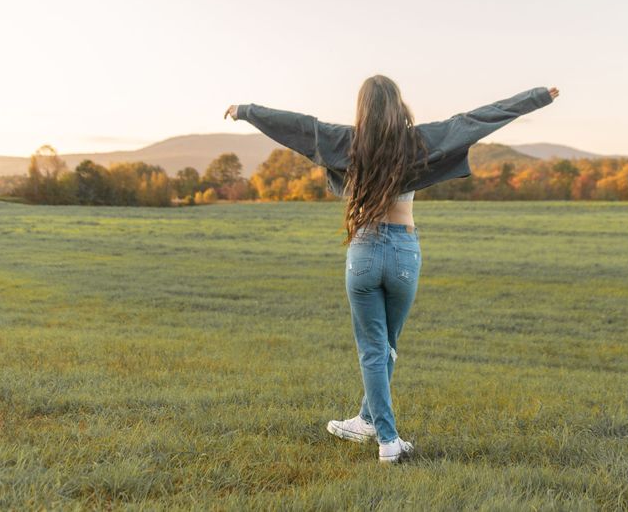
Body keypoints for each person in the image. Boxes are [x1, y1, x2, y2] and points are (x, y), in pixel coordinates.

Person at [225, 77, 559, 463]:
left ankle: (382, 435)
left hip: (364, 252)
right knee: (387, 349)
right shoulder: (417, 142)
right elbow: (475, 121)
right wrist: (535, 98)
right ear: (397, 104)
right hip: (404, 251)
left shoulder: (345, 141)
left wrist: (246, 111)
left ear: (362, 107)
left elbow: (297, 127)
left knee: (374, 349)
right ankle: (374, 427)